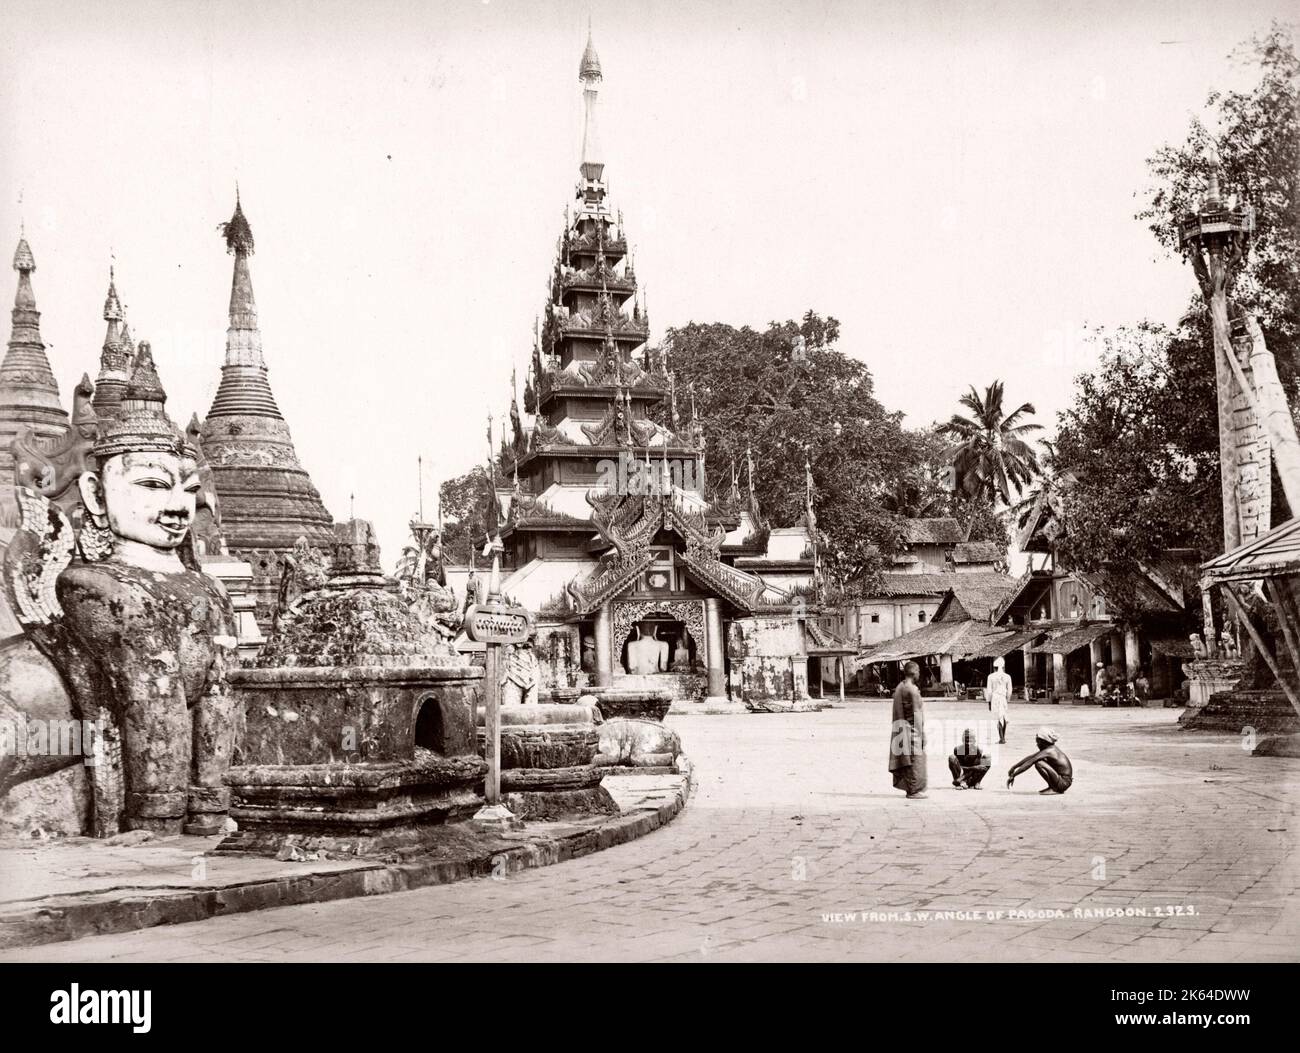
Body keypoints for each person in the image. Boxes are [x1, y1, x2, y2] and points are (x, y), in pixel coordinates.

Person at [889, 660, 927, 799]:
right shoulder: (912, 689)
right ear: (915, 672)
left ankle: (910, 788)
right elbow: (917, 713)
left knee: (907, 758)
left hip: (901, 729)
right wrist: (922, 734)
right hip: (912, 730)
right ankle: (913, 790)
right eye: (918, 672)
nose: (919, 675)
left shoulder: (900, 687)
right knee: (915, 759)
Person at [1007, 727, 1073, 795]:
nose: (1036, 744)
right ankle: (1053, 787)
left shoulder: (1049, 751)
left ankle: (1054, 788)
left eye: (1038, 742)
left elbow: (1030, 762)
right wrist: (1014, 767)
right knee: (1038, 760)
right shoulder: (1049, 749)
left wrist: (1014, 775)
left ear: (1043, 741)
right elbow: (1030, 757)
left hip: (1063, 782)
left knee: (1039, 763)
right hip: (1064, 781)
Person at [985, 655, 1013, 744]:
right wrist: (1007, 699)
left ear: (994, 667)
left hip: (995, 698)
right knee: (1003, 717)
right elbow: (1010, 691)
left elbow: (989, 691)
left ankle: (1002, 738)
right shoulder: (1007, 676)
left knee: (998, 718)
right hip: (1003, 698)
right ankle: (1003, 737)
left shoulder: (990, 676)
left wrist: (989, 702)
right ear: (1003, 667)